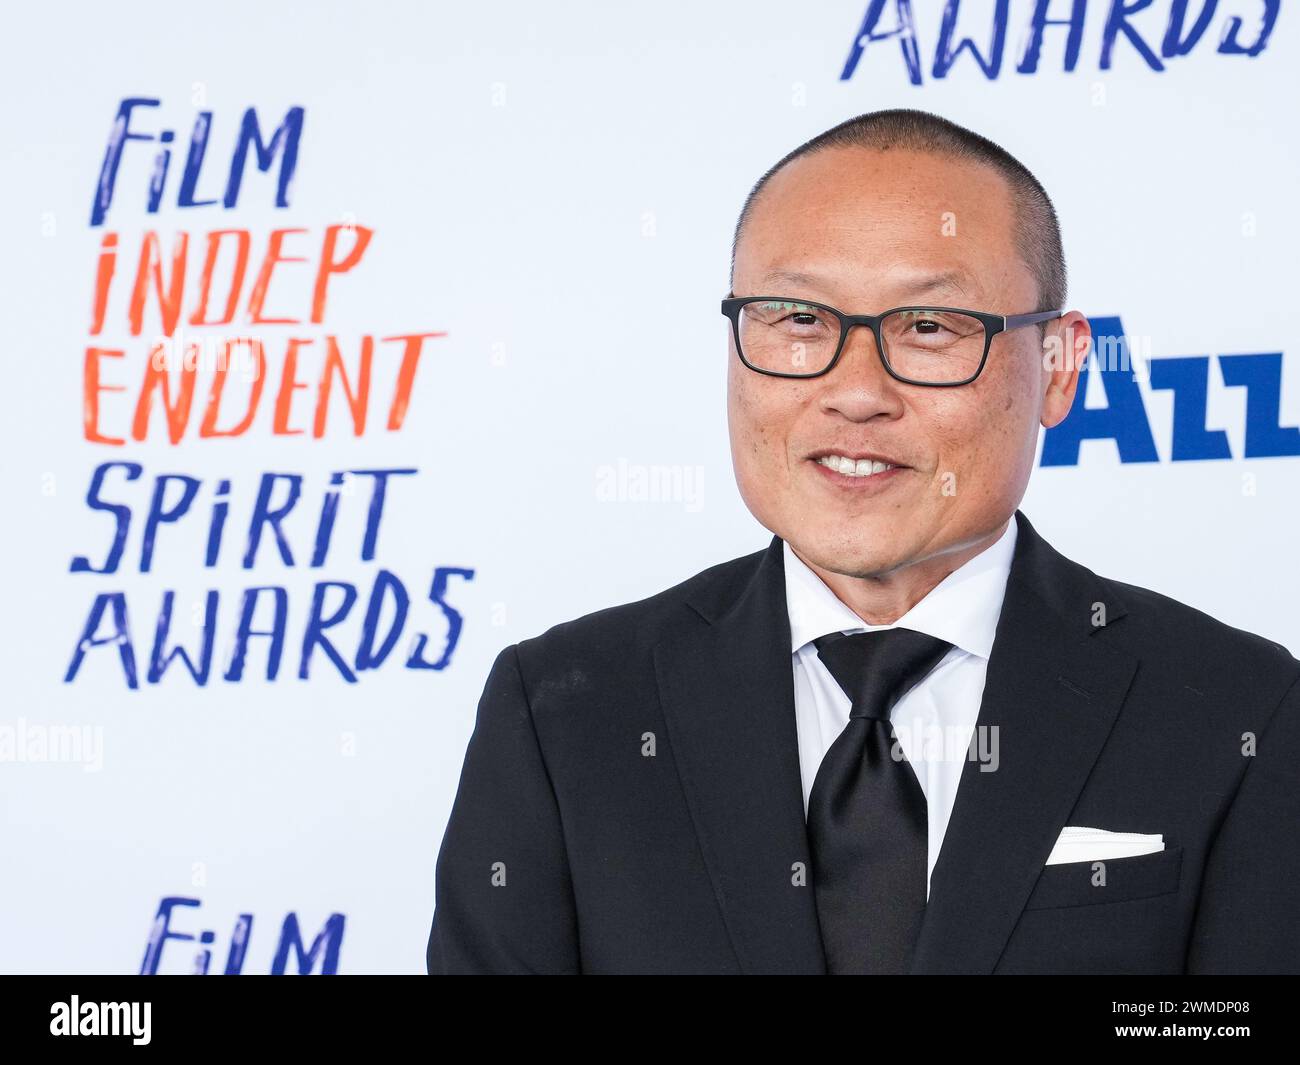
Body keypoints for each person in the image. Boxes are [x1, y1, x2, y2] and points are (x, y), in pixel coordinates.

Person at [427, 108, 1300, 974]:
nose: (855, 393)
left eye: (927, 327)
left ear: (1061, 367)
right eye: (798, 318)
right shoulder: (563, 712)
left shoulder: (1239, 711)